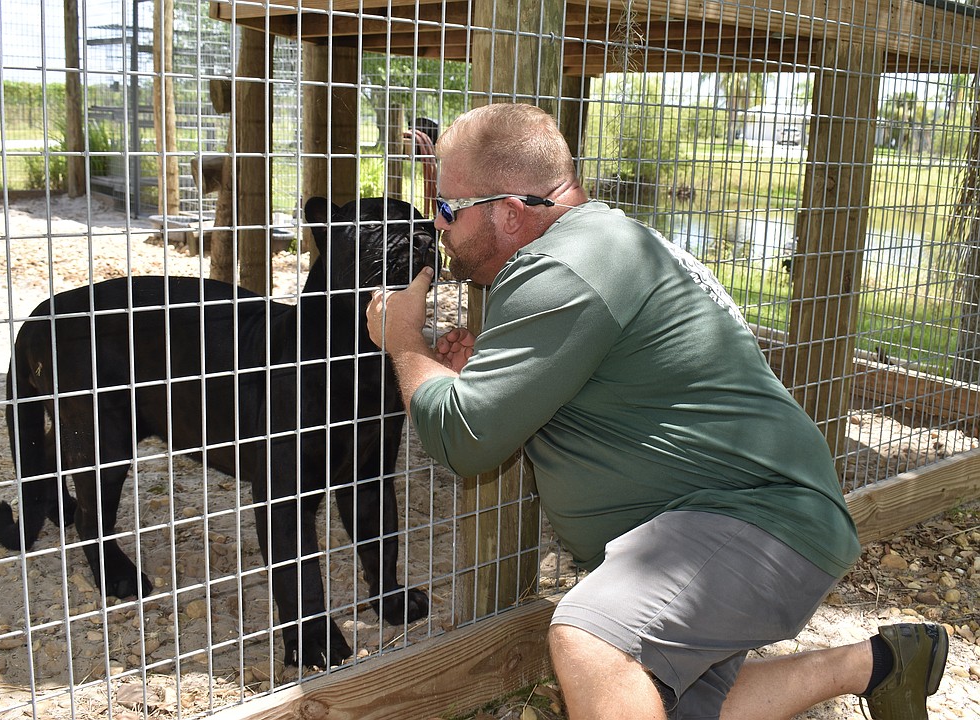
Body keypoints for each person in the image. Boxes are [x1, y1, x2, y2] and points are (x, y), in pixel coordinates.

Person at [365, 102, 950, 720]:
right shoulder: (601, 242)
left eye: (449, 208)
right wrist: (469, 382)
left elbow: (465, 439)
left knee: (594, 642)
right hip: (744, 518)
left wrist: (404, 339)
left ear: (510, 214)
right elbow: (498, 411)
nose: (438, 226)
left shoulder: (563, 267)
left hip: (751, 518)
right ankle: (881, 664)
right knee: (659, 704)